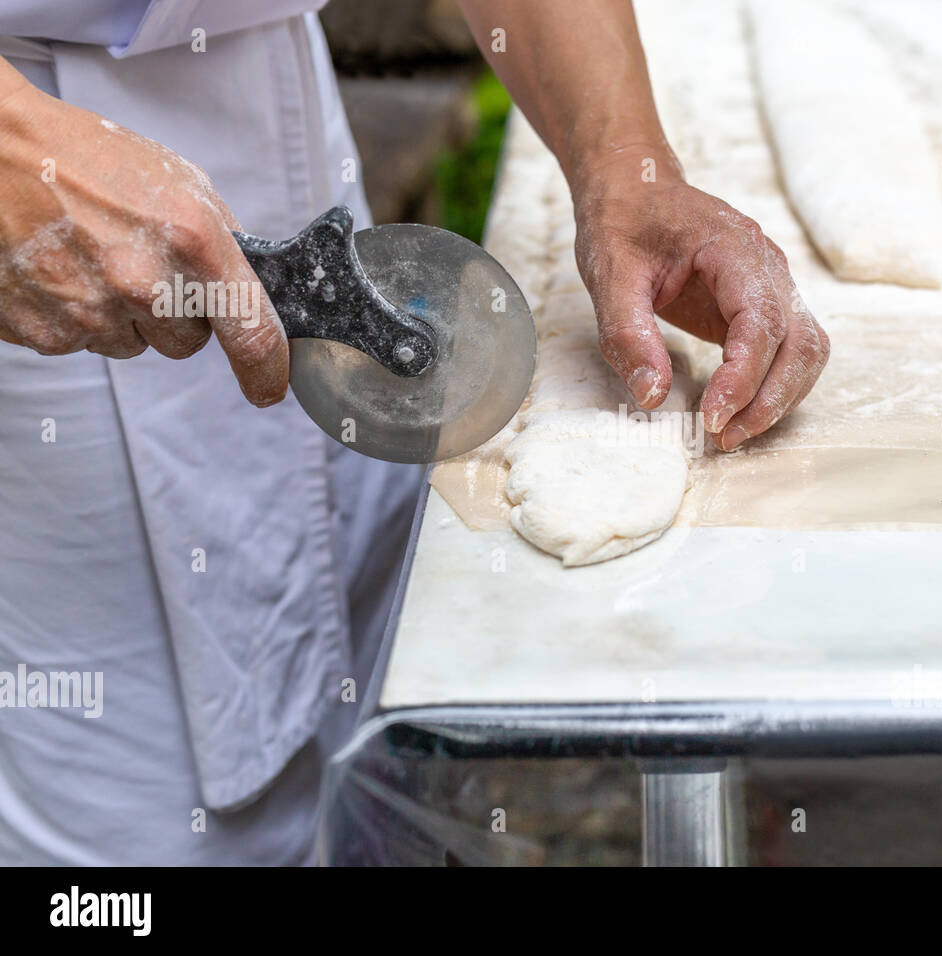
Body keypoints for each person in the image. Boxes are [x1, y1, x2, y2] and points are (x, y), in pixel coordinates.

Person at [0, 0, 828, 864]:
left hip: (274, 111)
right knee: (139, 835)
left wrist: (625, 164)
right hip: (41, 202)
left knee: (377, 729)